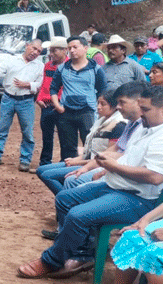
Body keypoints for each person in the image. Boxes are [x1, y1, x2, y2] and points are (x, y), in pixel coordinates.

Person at [17, 85, 163, 280]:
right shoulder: (150, 126)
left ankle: (51, 261)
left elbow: (154, 177)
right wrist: (103, 167)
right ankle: (82, 253)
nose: (141, 113)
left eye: (145, 109)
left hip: (142, 200)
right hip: (121, 187)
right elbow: (127, 155)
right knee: (65, 198)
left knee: (78, 215)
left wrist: (113, 167)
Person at [35, 87, 129, 240]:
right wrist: (78, 159)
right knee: (42, 171)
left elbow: (107, 156)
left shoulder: (118, 125)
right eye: (98, 103)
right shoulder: (101, 121)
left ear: (113, 106)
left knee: (52, 176)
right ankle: (68, 205)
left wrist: (79, 162)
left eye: (103, 104)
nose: (98, 107)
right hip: (87, 161)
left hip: (95, 165)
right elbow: (92, 150)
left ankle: (67, 215)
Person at [0, 39, 44, 172]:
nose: (35, 52)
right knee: (2, 129)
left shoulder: (40, 66)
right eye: (34, 48)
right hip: (8, 98)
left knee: (27, 132)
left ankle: (25, 160)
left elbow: (40, 84)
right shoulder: (12, 60)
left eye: (39, 51)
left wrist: (28, 85)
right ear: (27, 46)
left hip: (26, 100)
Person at [49, 36, 106, 160]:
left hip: (88, 111)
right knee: (67, 147)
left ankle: (90, 169)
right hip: (66, 111)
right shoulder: (62, 68)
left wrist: (98, 107)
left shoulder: (95, 69)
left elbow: (103, 90)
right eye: (69, 48)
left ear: (85, 48)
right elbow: (53, 88)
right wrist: (57, 105)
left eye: (75, 47)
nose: (72, 50)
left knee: (90, 144)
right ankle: (67, 170)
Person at [37, 37, 68, 167]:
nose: (51, 54)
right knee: (47, 136)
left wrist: (61, 103)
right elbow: (44, 84)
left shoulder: (70, 66)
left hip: (61, 105)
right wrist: (39, 98)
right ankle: (45, 162)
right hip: (47, 105)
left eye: (55, 50)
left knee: (65, 136)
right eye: (51, 50)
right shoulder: (48, 66)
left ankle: (64, 163)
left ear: (64, 50)